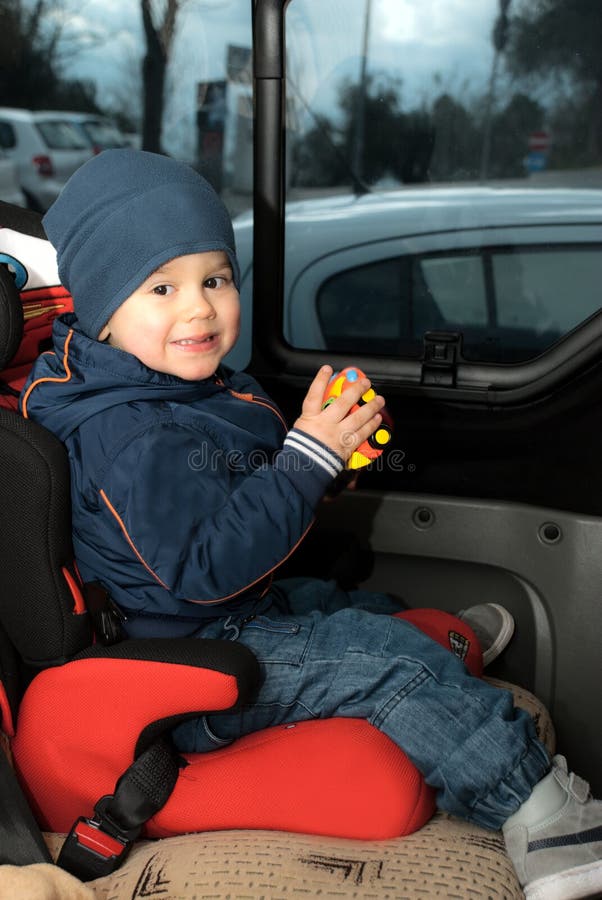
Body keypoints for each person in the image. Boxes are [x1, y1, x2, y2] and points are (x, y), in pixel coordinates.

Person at [21, 150, 601, 900]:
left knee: (349, 609)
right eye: (161, 287)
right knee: (390, 661)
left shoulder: (184, 389)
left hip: (234, 612)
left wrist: (331, 456)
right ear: (101, 305)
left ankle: (444, 660)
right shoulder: (130, 436)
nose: (198, 307)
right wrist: (306, 459)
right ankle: (549, 822)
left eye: (215, 279)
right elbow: (207, 570)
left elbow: (254, 498)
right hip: (190, 661)